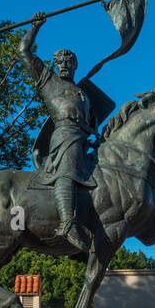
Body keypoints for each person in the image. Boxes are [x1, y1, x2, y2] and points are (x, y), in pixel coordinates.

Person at [18, 13, 100, 254]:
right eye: (60, 62)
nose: (64, 65)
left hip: (84, 138)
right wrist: (35, 27)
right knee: (68, 167)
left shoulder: (82, 93)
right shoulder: (48, 80)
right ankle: (67, 223)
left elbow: (93, 121)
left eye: (69, 62)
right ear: (54, 65)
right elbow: (24, 52)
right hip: (65, 137)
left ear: (75, 65)